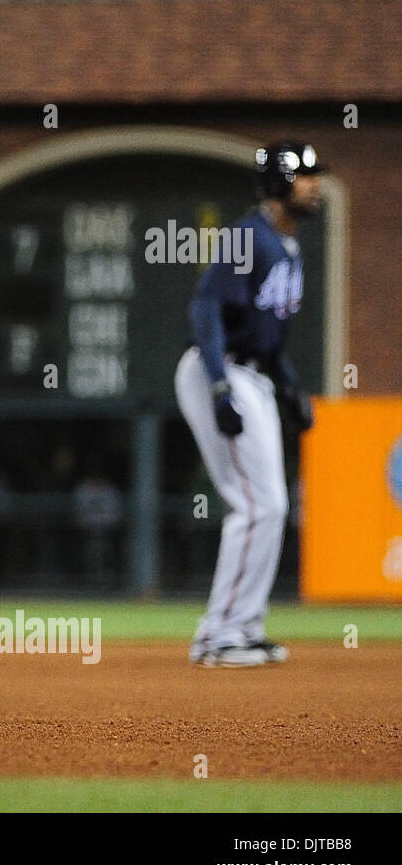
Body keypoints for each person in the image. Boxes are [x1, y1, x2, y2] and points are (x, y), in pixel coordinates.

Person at [174, 141, 323, 667]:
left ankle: (244, 625)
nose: (315, 184)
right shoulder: (248, 236)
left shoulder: (288, 247)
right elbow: (207, 308)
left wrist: (289, 386)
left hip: (252, 373)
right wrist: (218, 387)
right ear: (279, 185)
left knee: (271, 506)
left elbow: (267, 338)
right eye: (304, 176)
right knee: (258, 504)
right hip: (222, 370)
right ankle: (218, 635)